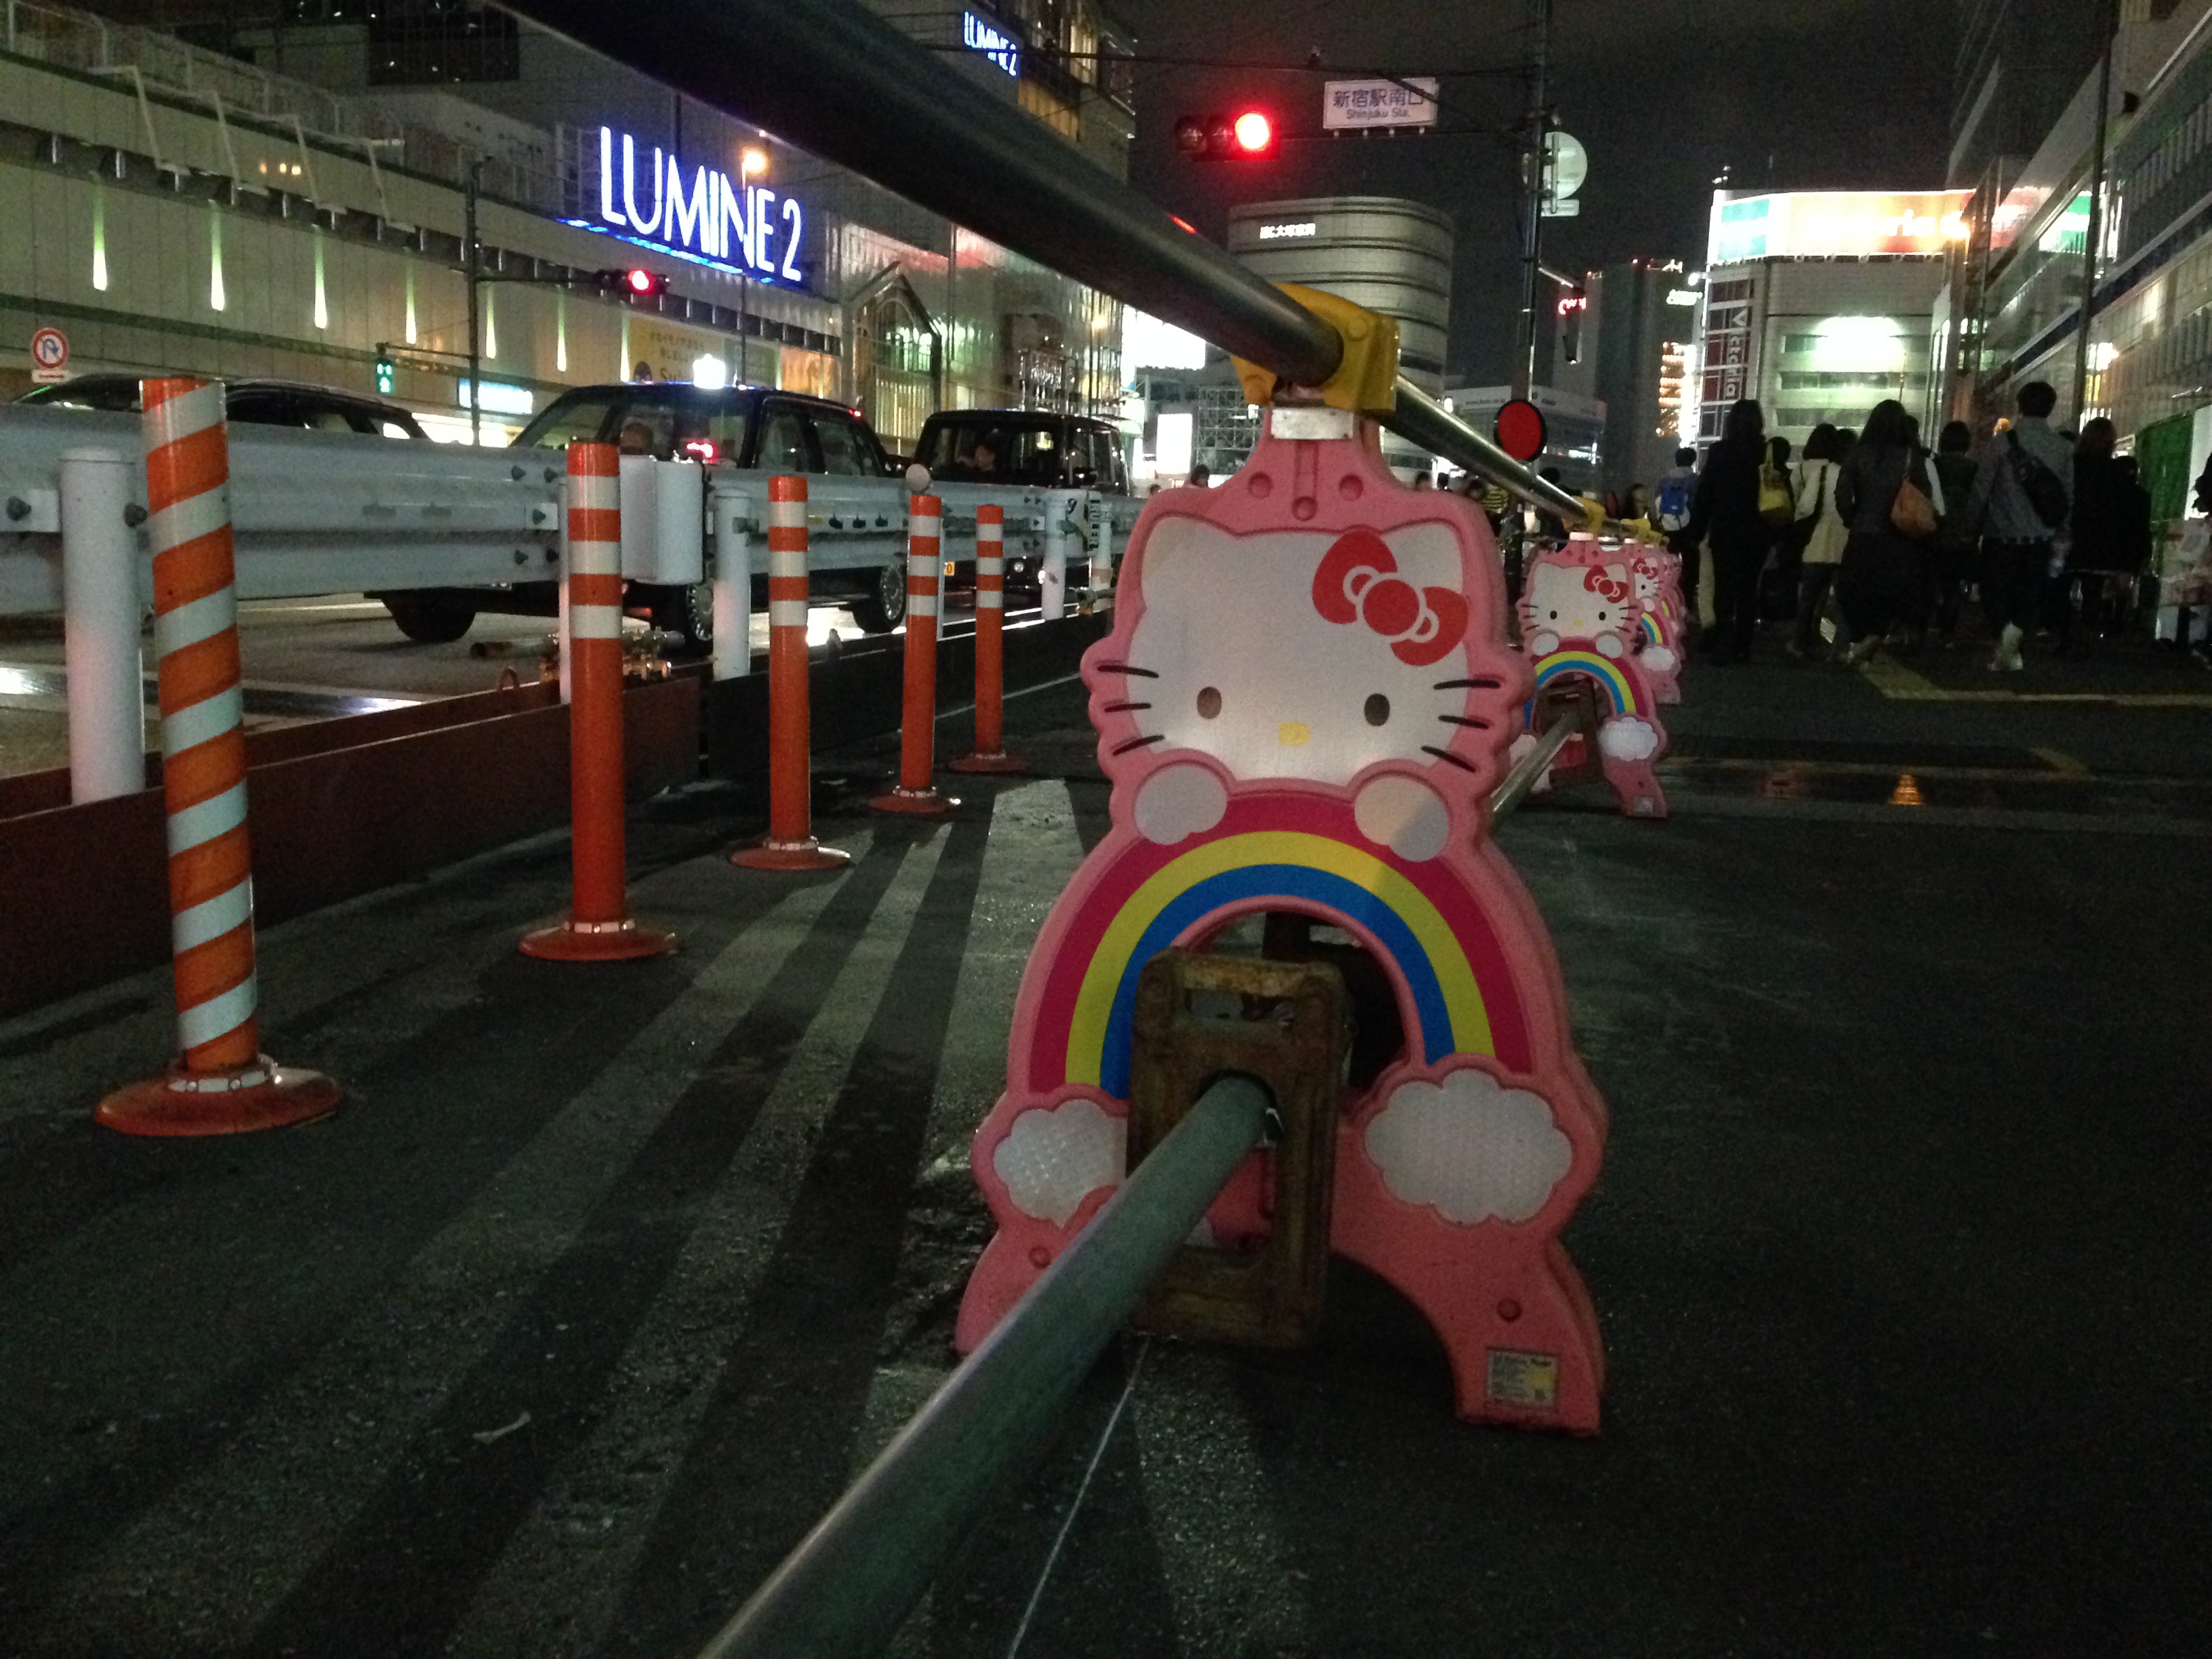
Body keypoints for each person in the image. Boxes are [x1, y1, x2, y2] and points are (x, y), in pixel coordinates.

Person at [1963, 380, 2073, 672]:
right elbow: (2067, 495)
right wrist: (2063, 529)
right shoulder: (2063, 448)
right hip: (2041, 537)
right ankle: (2014, 651)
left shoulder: (2002, 443)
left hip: (2001, 534)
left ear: (2020, 406)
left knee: (1994, 590)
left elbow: (1981, 488)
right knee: (2030, 594)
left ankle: (2004, 632)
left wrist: (1970, 524)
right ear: (2051, 408)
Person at [1833, 399, 1938, 664]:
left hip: (1863, 533)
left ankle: (1865, 634)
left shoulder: (1858, 453)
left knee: (1852, 587)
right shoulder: (1910, 455)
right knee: (1889, 589)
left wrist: (1852, 517)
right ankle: (1877, 633)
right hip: (1898, 534)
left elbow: (1842, 493)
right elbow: (1925, 492)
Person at [1683, 399, 1773, 663]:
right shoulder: (1766, 451)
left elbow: (1706, 494)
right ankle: (1742, 646)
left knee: (1724, 588)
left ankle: (1722, 643)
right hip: (1758, 530)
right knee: (1748, 589)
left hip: (1725, 530)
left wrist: (1697, 532)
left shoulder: (1720, 451)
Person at [2061, 419, 2151, 651]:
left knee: (2060, 588)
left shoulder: (2070, 469)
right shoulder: (2116, 475)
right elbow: (2129, 516)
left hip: (2069, 538)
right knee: (2093, 591)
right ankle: (2086, 635)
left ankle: (2063, 635)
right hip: (2103, 544)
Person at [1787, 423, 1849, 659]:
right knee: (1842, 599)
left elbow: (1804, 506)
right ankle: (1840, 649)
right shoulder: (1852, 472)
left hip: (1816, 542)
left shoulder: (1821, 473)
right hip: (1845, 545)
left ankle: (1800, 643)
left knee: (1808, 596)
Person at [1928, 420, 1980, 649]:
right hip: (1960, 535)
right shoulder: (1972, 468)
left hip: (1934, 531)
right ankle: (1948, 634)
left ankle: (1921, 626)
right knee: (1952, 586)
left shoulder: (1934, 466)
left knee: (1931, 580)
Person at [1654, 445, 1701, 611]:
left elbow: (1657, 504)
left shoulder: (1664, 480)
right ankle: (1685, 603)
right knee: (1690, 566)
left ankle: (1667, 601)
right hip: (1688, 529)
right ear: (1692, 461)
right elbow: (1698, 506)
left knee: (1668, 565)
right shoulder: (1695, 480)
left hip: (1668, 528)